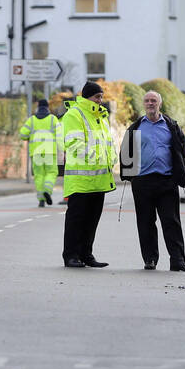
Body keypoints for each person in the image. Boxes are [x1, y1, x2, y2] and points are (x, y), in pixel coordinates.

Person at [124, 91, 185, 271]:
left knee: (171, 222)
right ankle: (150, 259)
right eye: (147, 101)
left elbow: (182, 150)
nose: (150, 103)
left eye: (153, 100)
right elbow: (126, 151)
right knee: (146, 222)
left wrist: (182, 173)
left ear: (159, 104)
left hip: (166, 181)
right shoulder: (136, 126)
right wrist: (129, 176)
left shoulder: (171, 126)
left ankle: (178, 260)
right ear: (144, 104)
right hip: (142, 182)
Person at [61, 81, 115, 268]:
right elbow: (74, 144)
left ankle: (86, 254)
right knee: (76, 220)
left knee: (92, 220)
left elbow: (108, 143)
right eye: (97, 97)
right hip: (80, 180)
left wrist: (112, 159)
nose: (100, 100)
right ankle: (71, 256)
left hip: (98, 179)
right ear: (87, 97)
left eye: (101, 97)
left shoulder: (101, 117)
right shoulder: (74, 114)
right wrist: (98, 158)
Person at [19, 99, 63, 207]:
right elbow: (59, 136)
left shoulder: (32, 120)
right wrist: (62, 150)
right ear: (48, 107)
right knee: (51, 172)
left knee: (39, 175)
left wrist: (29, 136)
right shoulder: (53, 119)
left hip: (36, 153)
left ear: (38, 107)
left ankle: (41, 200)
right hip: (49, 152)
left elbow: (22, 134)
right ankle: (47, 191)